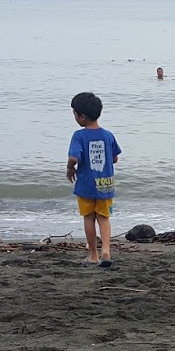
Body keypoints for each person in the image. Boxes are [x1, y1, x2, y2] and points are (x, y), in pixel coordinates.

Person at [65, 91, 121, 268]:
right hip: (105, 184)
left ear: (82, 117)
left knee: (89, 218)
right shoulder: (108, 135)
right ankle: (106, 250)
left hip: (86, 185)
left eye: (74, 113)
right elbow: (115, 158)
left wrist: (69, 168)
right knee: (104, 218)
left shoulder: (79, 136)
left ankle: (94, 255)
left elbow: (74, 158)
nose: (74, 116)